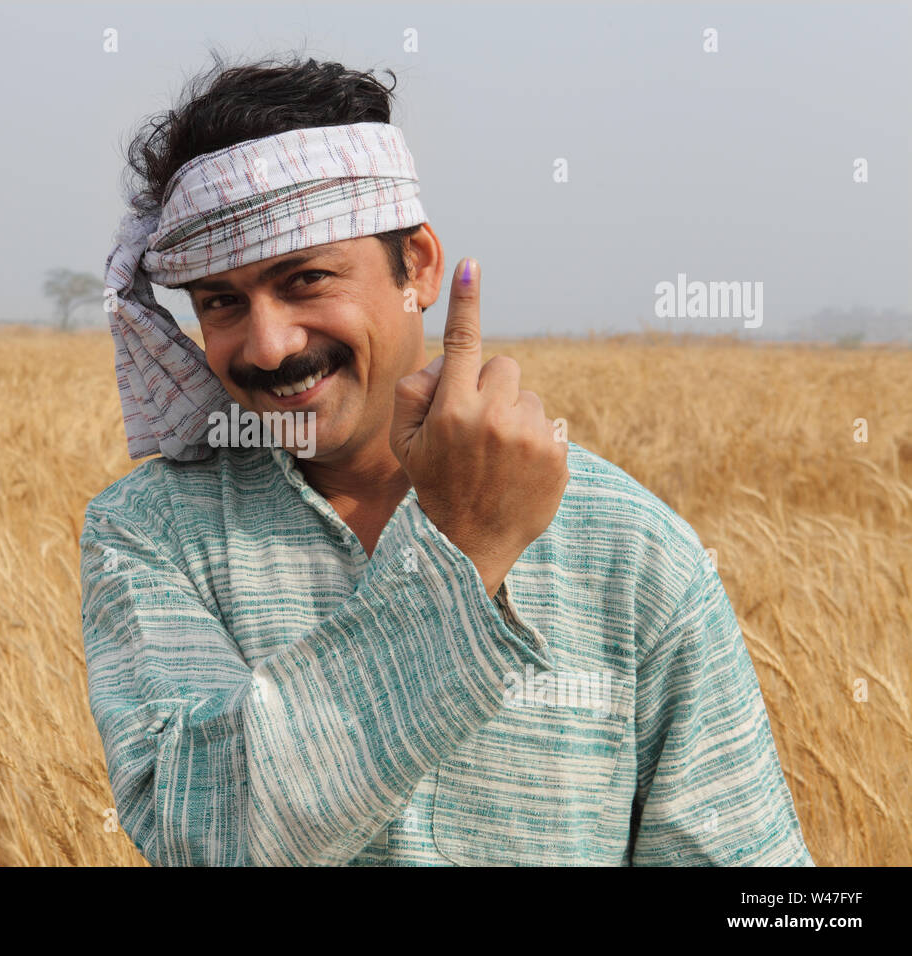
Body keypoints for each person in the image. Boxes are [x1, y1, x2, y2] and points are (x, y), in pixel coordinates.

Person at [80, 54, 813, 866]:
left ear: (418, 268)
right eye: (222, 302)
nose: (268, 344)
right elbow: (211, 835)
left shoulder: (628, 544)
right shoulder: (152, 535)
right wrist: (463, 550)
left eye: (307, 280)